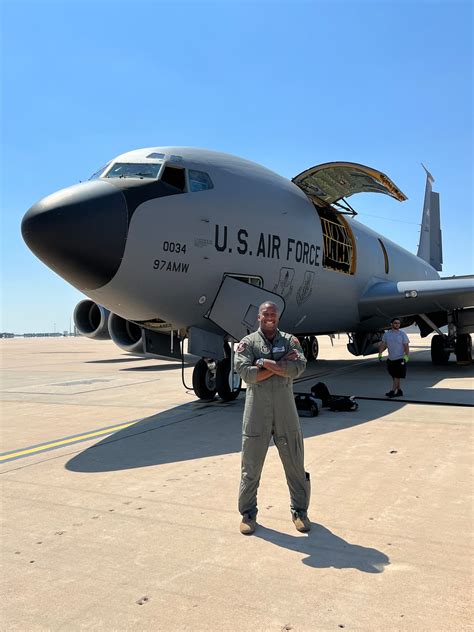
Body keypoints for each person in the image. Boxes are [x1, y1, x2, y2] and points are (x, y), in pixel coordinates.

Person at [234, 301, 311, 535]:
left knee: (295, 463)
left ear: (277, 318)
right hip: (257, 410)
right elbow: (247, 374)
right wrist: (279, 366)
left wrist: (265, 364)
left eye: (273, 315)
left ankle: (300, 511)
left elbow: (298, 367)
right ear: (258, 317)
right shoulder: (247, 343)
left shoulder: (290, 340)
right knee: (251, 466)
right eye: (266, 314)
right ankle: (248, 513)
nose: (270, 318)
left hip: (285, 410)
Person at [378, 317, 410, 398]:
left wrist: (407, 356)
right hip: (391, 359)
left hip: (400, 358)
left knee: (396, 376)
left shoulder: (402, 334)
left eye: (398, 323)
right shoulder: (387, 334)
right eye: (395, 323)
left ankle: (392, 391)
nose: (397, 325)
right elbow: (383, 344)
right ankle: (399, 391)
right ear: (391, 324)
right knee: (394, 376)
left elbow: (406, 346)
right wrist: (380, 353)